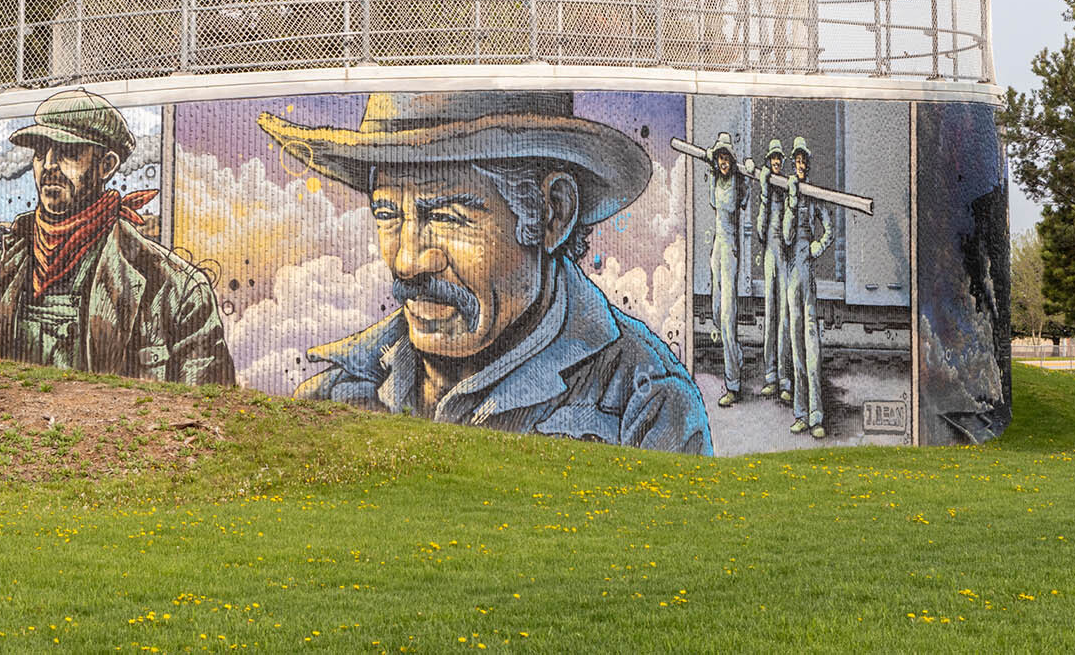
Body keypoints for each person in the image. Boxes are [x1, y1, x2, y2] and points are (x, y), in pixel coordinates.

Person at [258, 91, 712, 455]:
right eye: (387, 214)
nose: (408, 261)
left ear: (552, 214)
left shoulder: (647, 410)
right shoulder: (335, 393)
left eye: (448, 215)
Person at [0, 89, 234, 387]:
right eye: (40, 152)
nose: (48, 166)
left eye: (68, 153)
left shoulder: (178, 290)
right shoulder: (11, 264)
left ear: (106, 166)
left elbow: (208, 408)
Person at [782, 136, 833, 438]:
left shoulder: (814, 195)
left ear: (808, 164)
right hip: (791, 274)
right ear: (793, 162)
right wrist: (790, 203)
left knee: (811, 344)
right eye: (797, 161)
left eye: (804, 161)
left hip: (807, 271)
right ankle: (801, 413)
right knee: (796, 345)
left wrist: (817, 246)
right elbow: (787, 237)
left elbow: (828, 229)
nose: (801, 165)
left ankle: (817, 416)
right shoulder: (791, 193)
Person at [707, 133, 746, 407]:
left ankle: (733, 383)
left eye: (726, 158)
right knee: (715, 312)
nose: (723, 162)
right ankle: (738, 356)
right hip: (717, 247)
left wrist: (750, 171)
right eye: (719, 157)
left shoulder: (738, 181)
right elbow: (714, 203)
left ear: (732, 160)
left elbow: (740, 202)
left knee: (728, 317)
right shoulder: (716, 181)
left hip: (730, 247)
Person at [752, 138, 791, 403]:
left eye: (779, 159)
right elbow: (759, 231)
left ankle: (786, 381)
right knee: (770, 316)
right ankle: (770, 377)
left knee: (784, 318)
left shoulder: (789, 188)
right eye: (773, 159)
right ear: (768, 161)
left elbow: (789, 234)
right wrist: (765, 195)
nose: (776, 162)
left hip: (785, 257)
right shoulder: (767, 189)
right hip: (769, 256)